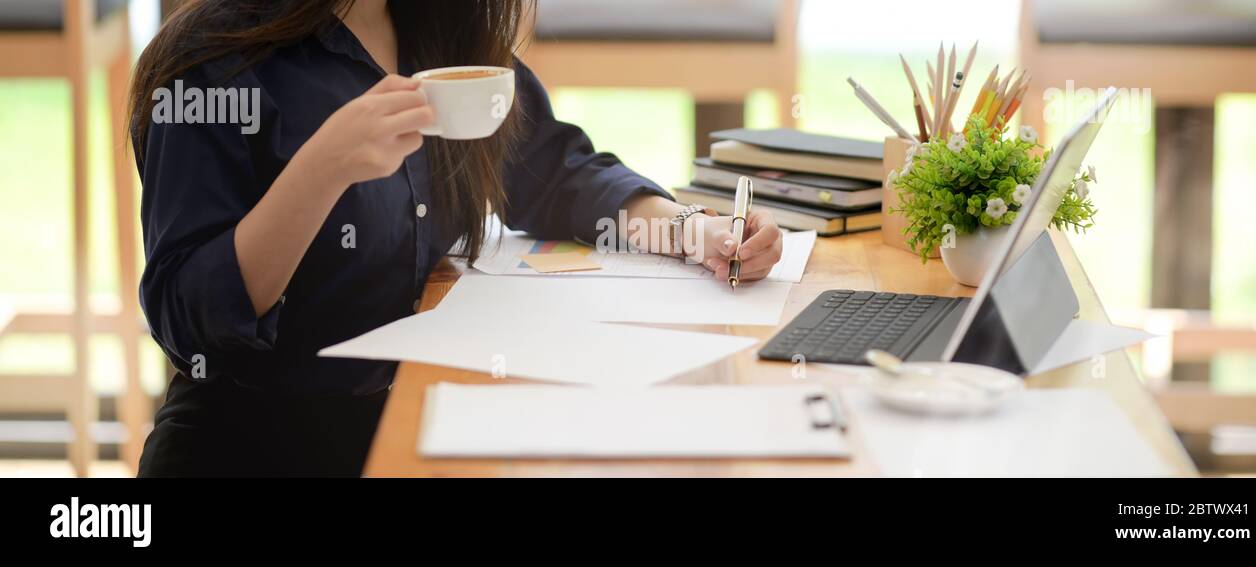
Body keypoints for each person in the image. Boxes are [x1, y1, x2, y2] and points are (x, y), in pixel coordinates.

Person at [129, 0, 784, 476]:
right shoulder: (215, 61)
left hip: (416, 426)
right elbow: (190, 313)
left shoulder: (442, 29)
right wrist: (322, 169)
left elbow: (557, 173)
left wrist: (694, 230)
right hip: (249, 446)